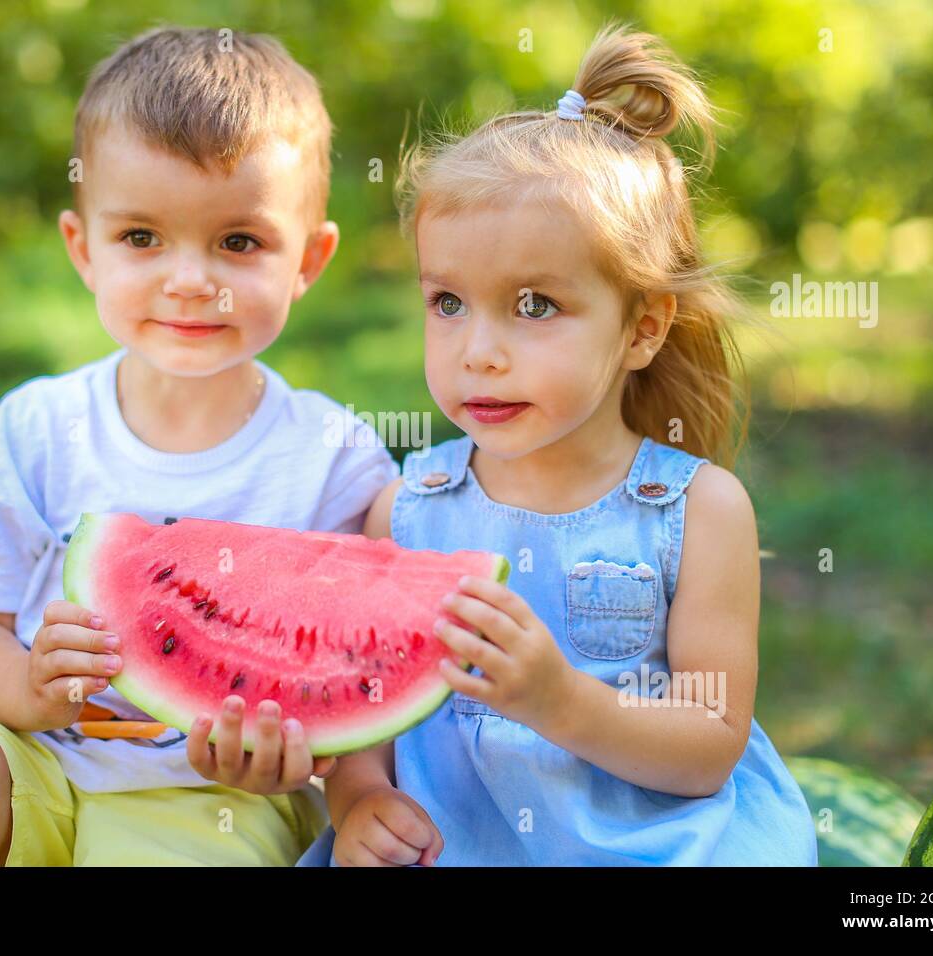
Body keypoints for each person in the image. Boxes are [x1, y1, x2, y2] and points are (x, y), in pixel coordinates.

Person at [0, 26, 396, 866]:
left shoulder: (335, 459)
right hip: (33, 767)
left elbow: (365, 671)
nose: (190, 279)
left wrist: (317, 765)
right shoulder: (30, 431)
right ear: (82, 248)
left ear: (308, 260)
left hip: (217, 804)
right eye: (141, 238)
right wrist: (27, 687)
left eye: (239, 241)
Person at [302, 24, 818, 866]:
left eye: (534, 305)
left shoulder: (697, 510)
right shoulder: (407, 511)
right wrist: (361, 800)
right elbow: (370, 716)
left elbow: (710, 744)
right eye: (447, 302)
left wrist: (559, 701)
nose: (479, 350)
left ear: (643, 328)